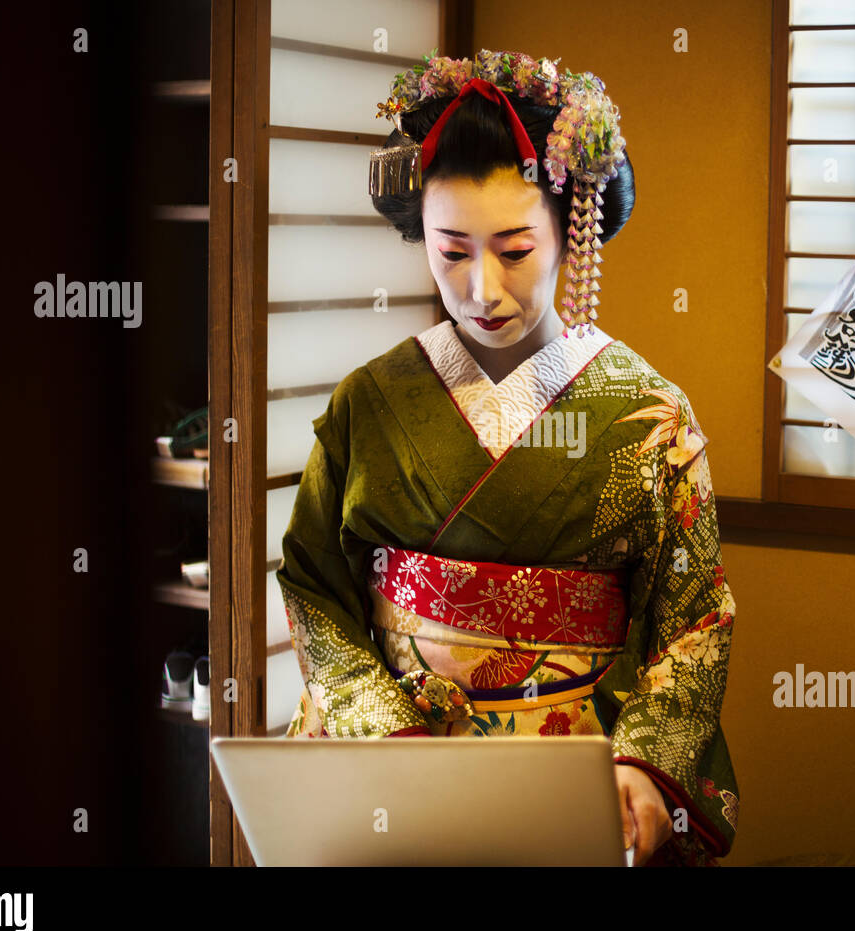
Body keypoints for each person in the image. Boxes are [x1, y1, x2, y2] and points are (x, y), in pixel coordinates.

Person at [276, 49, 739, 867]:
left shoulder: (651, 416)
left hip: (577, 776)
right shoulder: (370, 401)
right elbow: (315, 583)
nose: (483, 288)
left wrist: (645, 766)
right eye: (452, 251)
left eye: (515, 249)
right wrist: (379, 723)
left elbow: (694, 618)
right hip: (400, 763)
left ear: (571, 232)